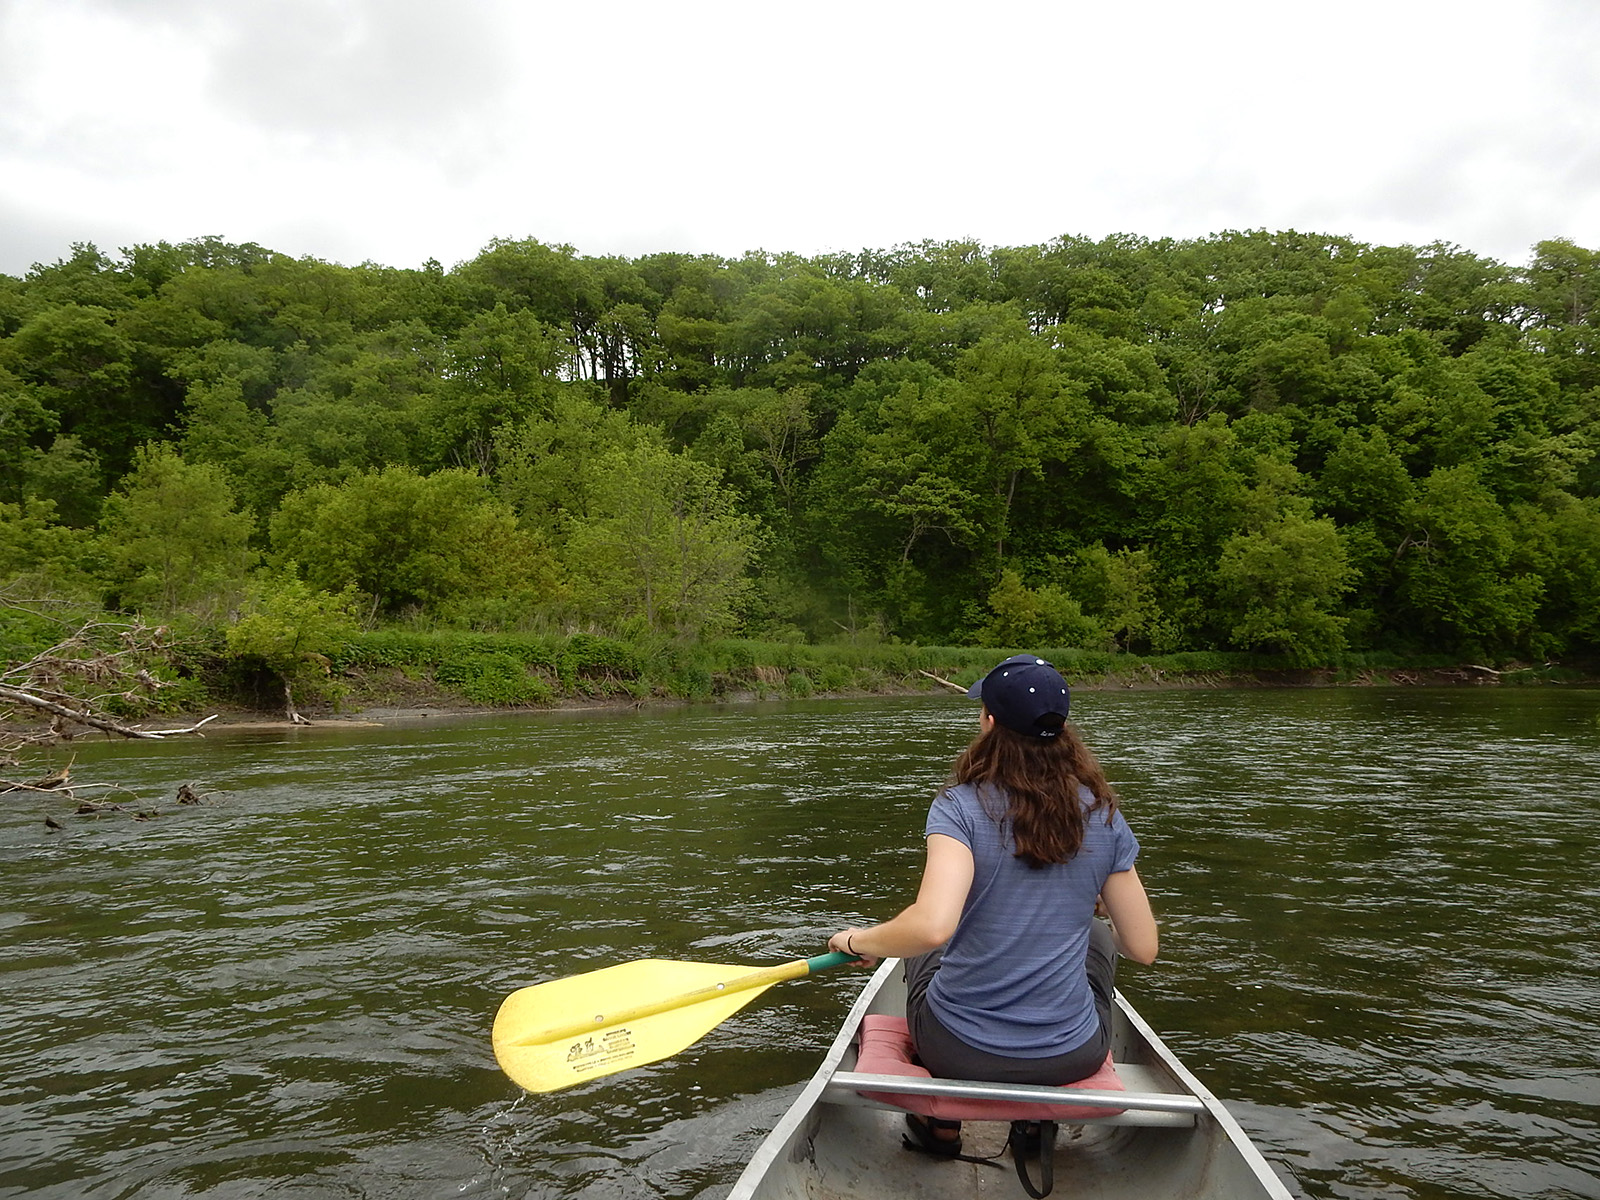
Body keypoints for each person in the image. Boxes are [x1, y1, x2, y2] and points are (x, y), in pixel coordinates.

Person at [827, 654, 1158, 1154]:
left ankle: (940, 1128)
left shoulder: (959, 806)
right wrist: (1088, 899)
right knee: (1096, 938)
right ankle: (1032, 1126)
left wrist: (857, 940)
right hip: (1072, 1056)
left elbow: (932, 926)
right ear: (1062, 727)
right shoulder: (1103, 814)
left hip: (959, 1053)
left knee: (922, 945)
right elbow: (1143, 947)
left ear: (989, 723)